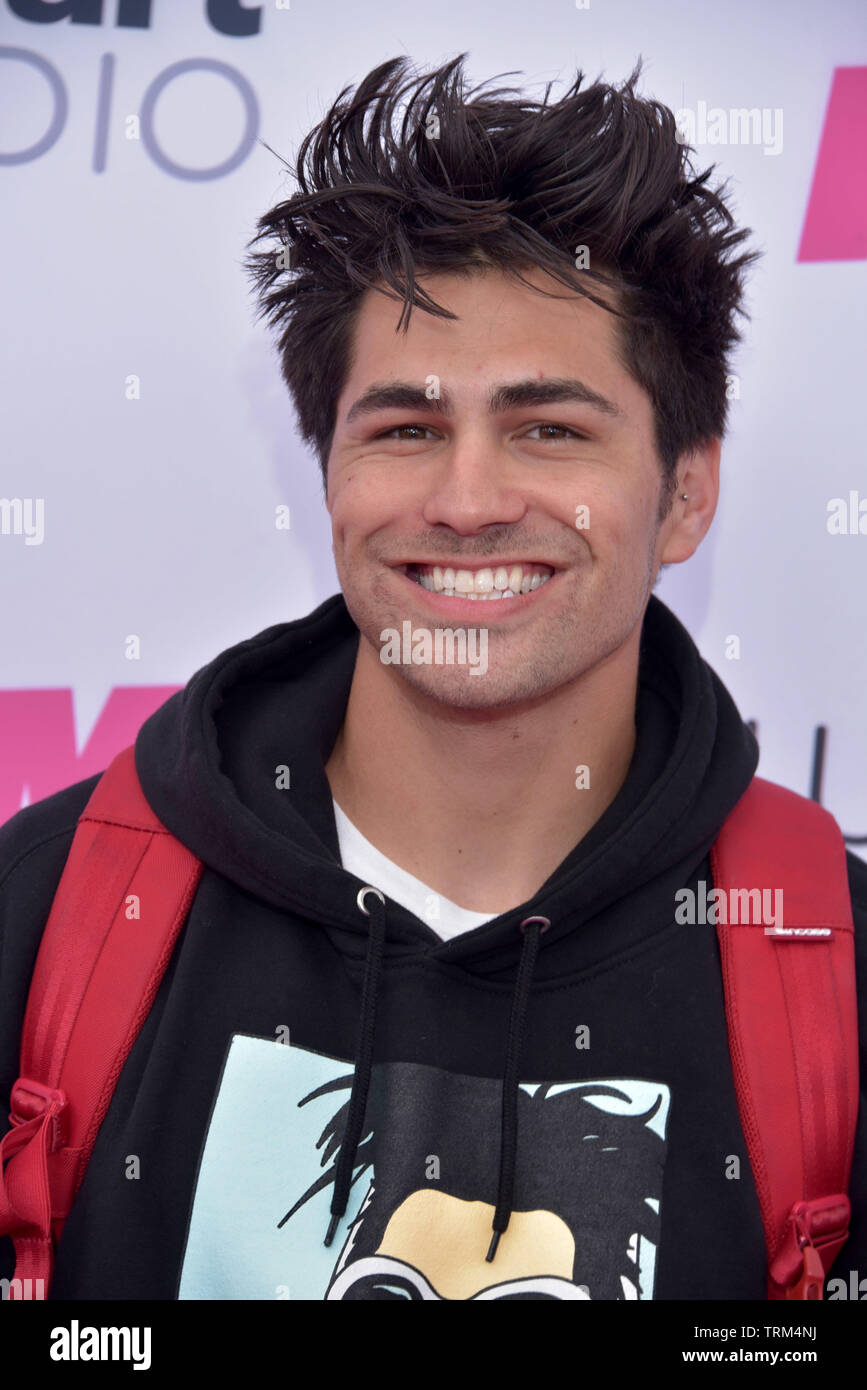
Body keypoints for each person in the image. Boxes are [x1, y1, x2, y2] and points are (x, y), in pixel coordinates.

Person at [1, 54, 864, 1302]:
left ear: (685, 491)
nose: (467, 502)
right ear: (330, 475)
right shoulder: (52, 914)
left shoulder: (826, 964)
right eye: (406, 428)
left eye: (550, 428)